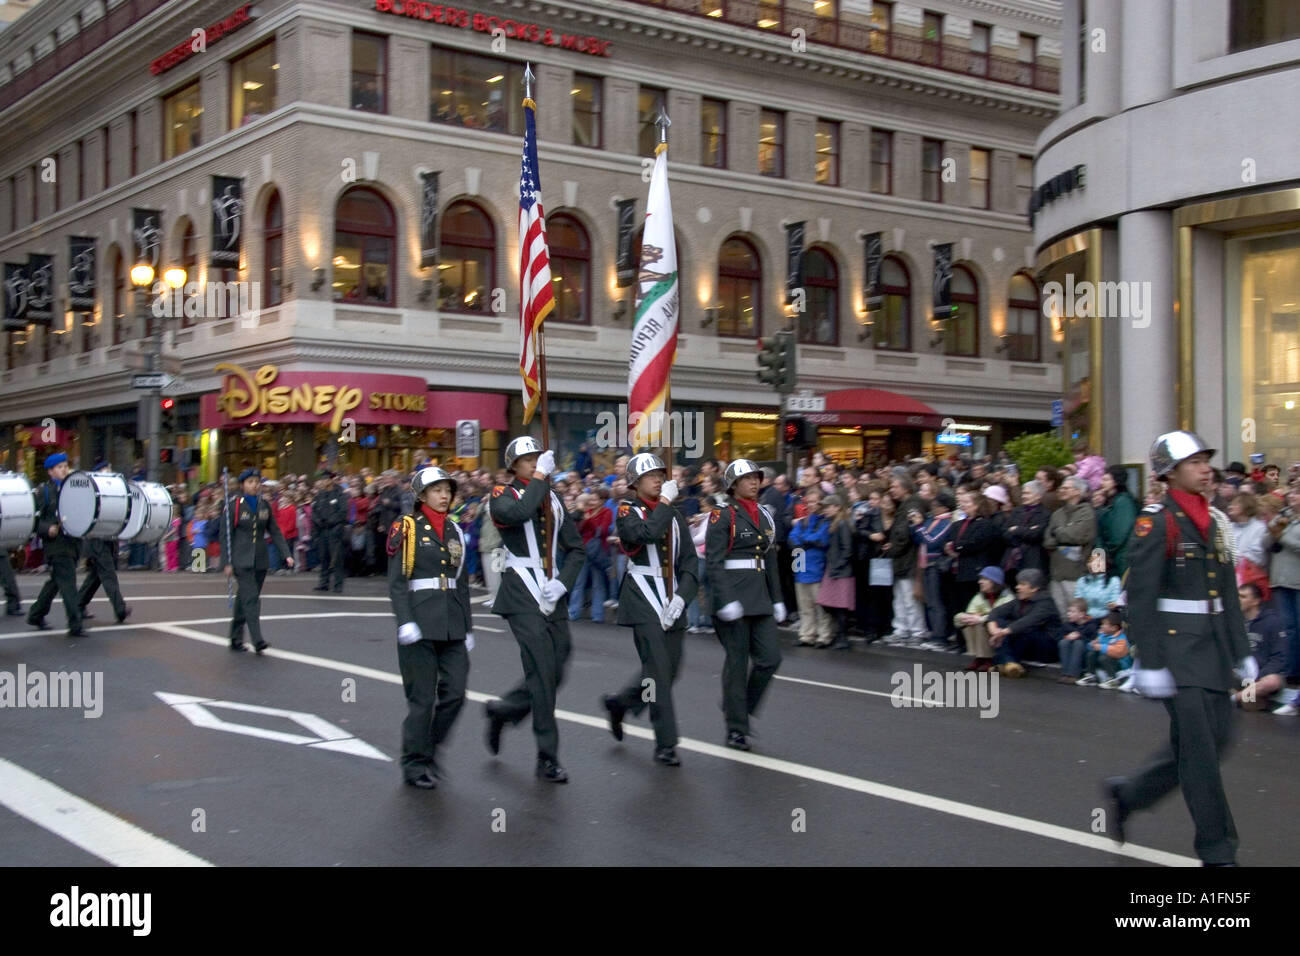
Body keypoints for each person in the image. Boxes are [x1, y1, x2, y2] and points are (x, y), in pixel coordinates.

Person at [1105, 431, 1253, 866]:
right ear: (1169, 474)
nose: (1206, 468)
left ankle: (1129, 793)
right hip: (1174, 649)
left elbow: (1226, 589)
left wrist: (1241, 648)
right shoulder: (1157, 519)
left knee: (1215, 742)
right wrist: (1148, 662)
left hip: (1212, 646)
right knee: (1201, 755)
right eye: (1194, 462)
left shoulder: (1215, 519)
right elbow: (1142, 597)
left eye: (1206, 460)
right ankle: (1218, 851)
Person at [483, 436, 585, 783]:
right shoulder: (502, 495)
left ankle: (505, 709)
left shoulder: (554, 499)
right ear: (513, 465)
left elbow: (576, 548)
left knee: (559, 664)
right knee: (542, 671)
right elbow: (519, 513)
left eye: (537, 457)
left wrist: (564, 582)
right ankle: (547, 756)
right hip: (521, 591)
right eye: (527, 458)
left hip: (551, 590)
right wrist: (541, 479)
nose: (533, 462)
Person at [601, 453, 699, 766]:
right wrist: (667, 506)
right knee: (657, 670)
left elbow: (689, 561)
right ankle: (666, 743)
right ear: (635, 482)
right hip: (643, 596)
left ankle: (621, 702)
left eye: (660, 474)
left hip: (672, 597)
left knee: (670, 669)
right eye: (651, 475)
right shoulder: (628, 509)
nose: (658, 479)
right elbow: (644, 535)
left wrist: (684, 596)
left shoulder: (673, 512)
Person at [386, 467, 473, 789]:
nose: (444, 495)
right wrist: (404, 620)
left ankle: (431, 747)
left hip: (451, 623)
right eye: (436, 490)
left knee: (456, 692)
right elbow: (396, 582)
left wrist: (469, 626)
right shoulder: (406, 527)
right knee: (422, 700)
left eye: (447, 490)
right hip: (419, 621)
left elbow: (460, 581)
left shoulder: (454, 530)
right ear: (422, 495)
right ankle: (413, 764)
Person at [706, 458, 786, 751]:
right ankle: (736, 729)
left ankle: (735, 705)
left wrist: (777, 599)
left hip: (759, 597)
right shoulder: (722, 515)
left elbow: (770, 560)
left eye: (756, 478)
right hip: (733, 596)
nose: (754, 482)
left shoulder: (765, 515)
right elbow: (714, 561)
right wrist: (725, 599)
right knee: (737, 665)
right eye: (748, 478)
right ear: (733, 485)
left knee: (770, 658)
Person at [219, 468, 294, 653]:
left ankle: (235, 638)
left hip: (260, 560)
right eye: (250, 482)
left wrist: (286, 553)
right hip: (240, 560)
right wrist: (227, 562)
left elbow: (274, 531)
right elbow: (225, 535)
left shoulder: (264, 505)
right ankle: (257, 639)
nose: (254, 485)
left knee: (243, 599)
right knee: (252, 599)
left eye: (256, 481)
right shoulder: (234, 505)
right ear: (243, 485)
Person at [26, 452, 86, 637]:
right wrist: (47, 529)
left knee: (55, 582)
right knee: (68, 583)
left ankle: (36, 615)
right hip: (56, 546)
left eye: (65, 466)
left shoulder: (74, 489)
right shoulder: (44, 491)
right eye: (60, 467)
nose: (64, 469)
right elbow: (33, 520)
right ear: (50, 471)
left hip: (73, 543)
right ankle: (75, 624)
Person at [986, 568, 1061, 678]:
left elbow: (1028, 622)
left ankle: (1004, 662)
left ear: (1034, 588)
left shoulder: (1046, 603)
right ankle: (1010, 663)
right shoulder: (1019, 600)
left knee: (1025, 629)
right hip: (1027, 644)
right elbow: (996, 612)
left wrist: (1002, 633)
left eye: (1022, 584)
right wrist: (994, 629)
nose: (1017, 587)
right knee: (1000, 622)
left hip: (1047, 648)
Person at [1230, 582, 1290, 712]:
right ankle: (1244, 699)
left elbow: (1279, 658)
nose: (1238, 600)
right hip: (1238, 676)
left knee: (1272, 681)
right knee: (1251, 703)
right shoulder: (1234, 622)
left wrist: (1259, 675)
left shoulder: (1272, 622)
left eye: (1243, 596)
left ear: (1256, 601)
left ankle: (1234, 698)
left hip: (1260, 679)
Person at [1043, 476, 1097, 618]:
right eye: (1062, 488)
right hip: (1056, 573)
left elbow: (1078, 536)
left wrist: (1058, 532)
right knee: (1059, 614)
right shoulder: (1057, 514)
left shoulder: (1086, 512)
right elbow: (1048, 539)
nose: (1062, 490)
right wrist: (1062, 535)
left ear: (1077, 491)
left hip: (1075, 574)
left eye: (1066, 488)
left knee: (1077, 615)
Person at [787, 486, 830, 647]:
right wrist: (807, 540)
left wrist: (804, 540)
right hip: (800, 566)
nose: (811, 504)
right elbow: (793, 539)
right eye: (809, 501)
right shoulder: (803, 521)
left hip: (817, 568)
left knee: (821, 607)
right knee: (804, 605)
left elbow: (821, 539)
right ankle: (807, 634)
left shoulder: (825, 520)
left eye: (815, 501)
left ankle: (824, 635)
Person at [816, 493, 857, 650]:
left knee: (840, 607)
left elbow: (847, 549)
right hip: (833, 569)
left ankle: (842, 637)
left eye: (828, 507)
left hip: (840, 571)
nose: (825, 510)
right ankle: (838, 635)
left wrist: (837, 566)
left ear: (837, 507)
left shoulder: (842, 524)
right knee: (827, 603)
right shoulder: (833, 522)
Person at [955, 566, 1014, 672]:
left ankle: (988, 658)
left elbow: (1002, 617)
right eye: (980, 579)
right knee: (964, 620)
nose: (980, 582)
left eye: (984, 579)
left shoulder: (1008, 597)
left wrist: (981, 618)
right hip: (987, 626)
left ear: (995, 582)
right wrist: (968, 616)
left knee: (982, 623)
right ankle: (979, 657)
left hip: (1002, 632)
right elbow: (971, 611)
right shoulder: (980, 596)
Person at [568, 492, 612, 623]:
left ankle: (597, 615)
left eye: (594, 499)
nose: (592, 502)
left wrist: (589, 520)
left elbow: (603, 530)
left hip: (597, 551)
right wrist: (585, 518)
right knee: (578, 583)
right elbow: (578, 530)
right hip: (584, 550)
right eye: (590, 500)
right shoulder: (586, 511)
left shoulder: (606, 512)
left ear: (602, 500)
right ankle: (573, 612)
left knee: (598, 584)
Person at [1096, 466, 1138, 575]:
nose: (1102, 483)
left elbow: (1119, 534)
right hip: (1113, 556)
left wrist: (1107, 552)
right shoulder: (1111, 502)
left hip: (1120, 558)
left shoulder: (1123, 502)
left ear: (1115, 482)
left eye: (1106, 479)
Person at [312, 470, 347, 593]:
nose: (323, 482)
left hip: (334, 530)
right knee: (324, 557)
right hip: (322, 530)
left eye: (325, 479)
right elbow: (314, 510)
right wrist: (317, 521)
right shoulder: (320, 494)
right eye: (322, 479)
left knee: (336, 558)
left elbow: (343, 512)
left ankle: (338, 584)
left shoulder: (339, 493)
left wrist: (331, 521)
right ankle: (323, 582)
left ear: (331, 480)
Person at [1078, 611, 1132, 688]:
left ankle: (1113, 680)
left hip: (1120, 665)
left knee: (1104, 657)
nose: (1101, 626)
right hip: (1105, 662)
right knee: (1091, 653)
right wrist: (1092, 644)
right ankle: (1091, 676)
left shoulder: (1121, 638)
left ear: (1114, 628)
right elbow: (1091, 647)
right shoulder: (1102, 635)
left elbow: (1119, 652)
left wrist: (1101, 647)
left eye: (1105, 624)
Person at [1057, 597, 1100, 684]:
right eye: (1068, 611)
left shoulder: (1091, 625)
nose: (1069, 614)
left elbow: (1092, 640)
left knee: (1078, 643)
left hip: (1084, 654)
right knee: (1063, 642)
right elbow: (1058, 637)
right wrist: (1067, 637)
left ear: (1081, 614)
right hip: (1069, 652)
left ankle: (1073, 674)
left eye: (1072, 612)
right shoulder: (1067, 625)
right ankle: (1065, 673)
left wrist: (1079, 636)